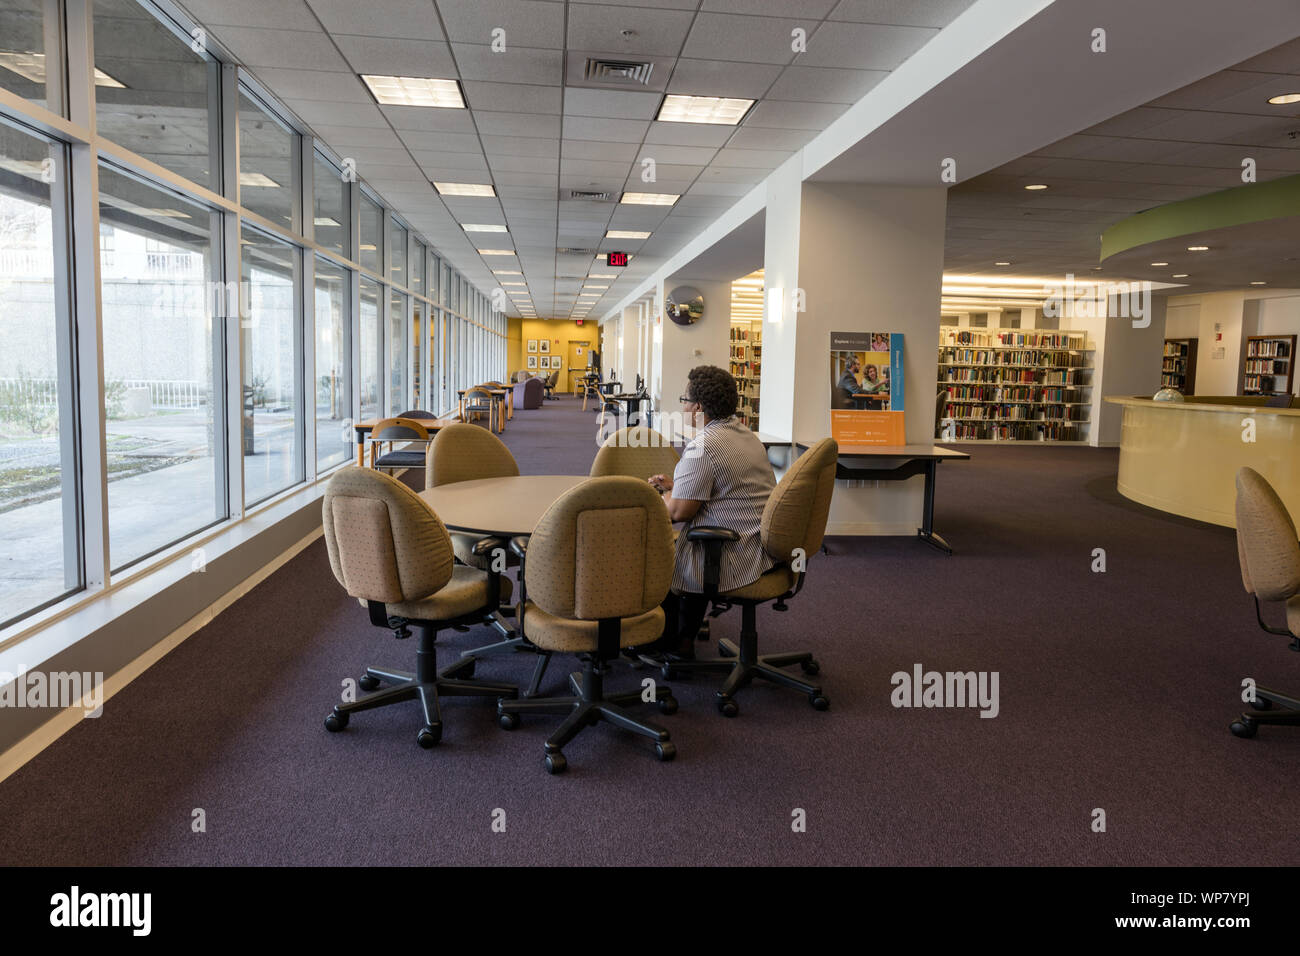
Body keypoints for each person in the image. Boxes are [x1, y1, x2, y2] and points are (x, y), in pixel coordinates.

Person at [645, 365, 776, 660]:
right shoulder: (746, 435)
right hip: (761, 545)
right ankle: (683, 636)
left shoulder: (704, 446)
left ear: (699, 407)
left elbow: (677, 512)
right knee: (690, 544)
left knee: (660, 553)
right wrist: (677, 484)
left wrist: (661, 494)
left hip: (732, 554)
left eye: (684, 400)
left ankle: (668, 642)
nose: (684, 406)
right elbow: (723, 485)